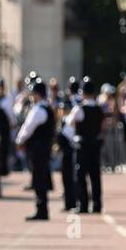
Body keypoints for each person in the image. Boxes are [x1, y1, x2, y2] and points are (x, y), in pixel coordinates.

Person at [15, 79, 54, 220]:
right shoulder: (47, 108)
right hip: (44, 148)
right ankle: (42, 208)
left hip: (37, 149)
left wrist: (19, 140)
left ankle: (41, 209)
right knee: (41, 178)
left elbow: (27, 127)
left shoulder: (38, 109)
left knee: (38, 179)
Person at [70, 76, 105, 213]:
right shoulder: (99, 109)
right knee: (95, 175)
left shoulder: (79, 109)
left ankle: (83, 204)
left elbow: (70, 122)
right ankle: (97, 204)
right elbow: (101, 125)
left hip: (83, 144)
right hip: (95, 144)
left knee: (81, 175)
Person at [56, 79, 79, 212]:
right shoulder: (80, 102)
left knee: (68, 175)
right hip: (75, 143)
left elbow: (66, 127)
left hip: (69, 143)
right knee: (76, 175)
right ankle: (75, 199)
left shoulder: (69, 103)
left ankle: (70, 202)